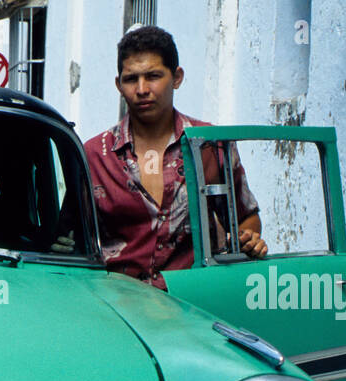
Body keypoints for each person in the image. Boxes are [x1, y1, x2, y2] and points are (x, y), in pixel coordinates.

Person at [84, 26, 267, 289]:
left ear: (177, 77)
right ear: (118, 85)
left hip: (193, 302)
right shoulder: (95, 155)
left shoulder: (210, 145)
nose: (142, 89)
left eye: (154, 76)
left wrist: (248, 240)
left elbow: (245, 217)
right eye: (131, 79)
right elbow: (71, 242)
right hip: (117, 307)